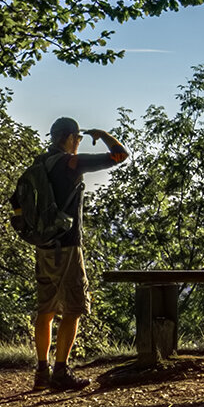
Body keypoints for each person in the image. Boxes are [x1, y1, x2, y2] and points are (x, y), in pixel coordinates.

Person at [32, 116, 127, 391]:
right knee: (73, 308)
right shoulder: (71, 163)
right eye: (78, 139)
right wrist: (105, 135)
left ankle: (42, 371)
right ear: (70, 138)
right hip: (68, 246)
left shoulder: (41, 164)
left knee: (46, 309)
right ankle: (60, 372)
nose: (79, 143)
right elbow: (119, 155)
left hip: (44, 246)